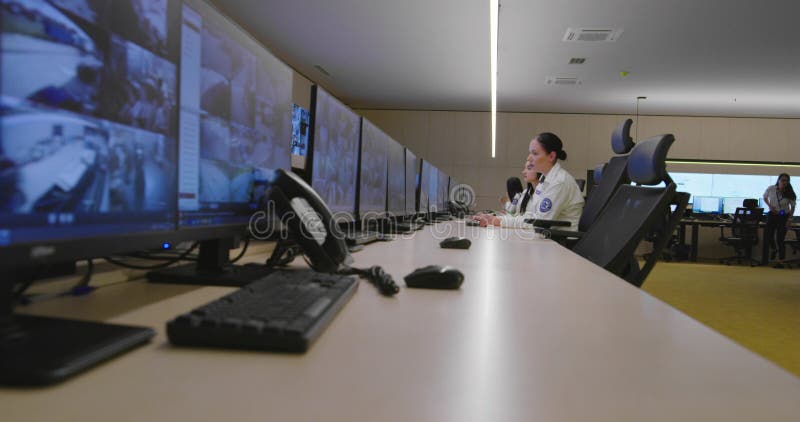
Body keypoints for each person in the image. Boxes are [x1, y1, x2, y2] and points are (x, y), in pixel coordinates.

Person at [473, 132, 584, 229]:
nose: (529, 158)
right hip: (546, 235)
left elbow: (540, 222)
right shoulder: (544, 180)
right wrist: (497, 219)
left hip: (560, 240)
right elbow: (530, 215)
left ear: (551, 156)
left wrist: (497, 221)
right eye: (530, 153)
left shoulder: (559, 182)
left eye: (534, 153)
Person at [763, 173, 796, 266]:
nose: (784, 182)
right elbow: (765, 197)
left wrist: (790, 219)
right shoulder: (771, 188)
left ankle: (781, 260)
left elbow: (792, 207)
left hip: (783, 216)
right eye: (783, 180)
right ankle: (773, 249)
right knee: (768, 236)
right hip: (772, 214)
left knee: (780, 239)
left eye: (786, 181)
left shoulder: (790, 193)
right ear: (778, 180)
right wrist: (769, 205)